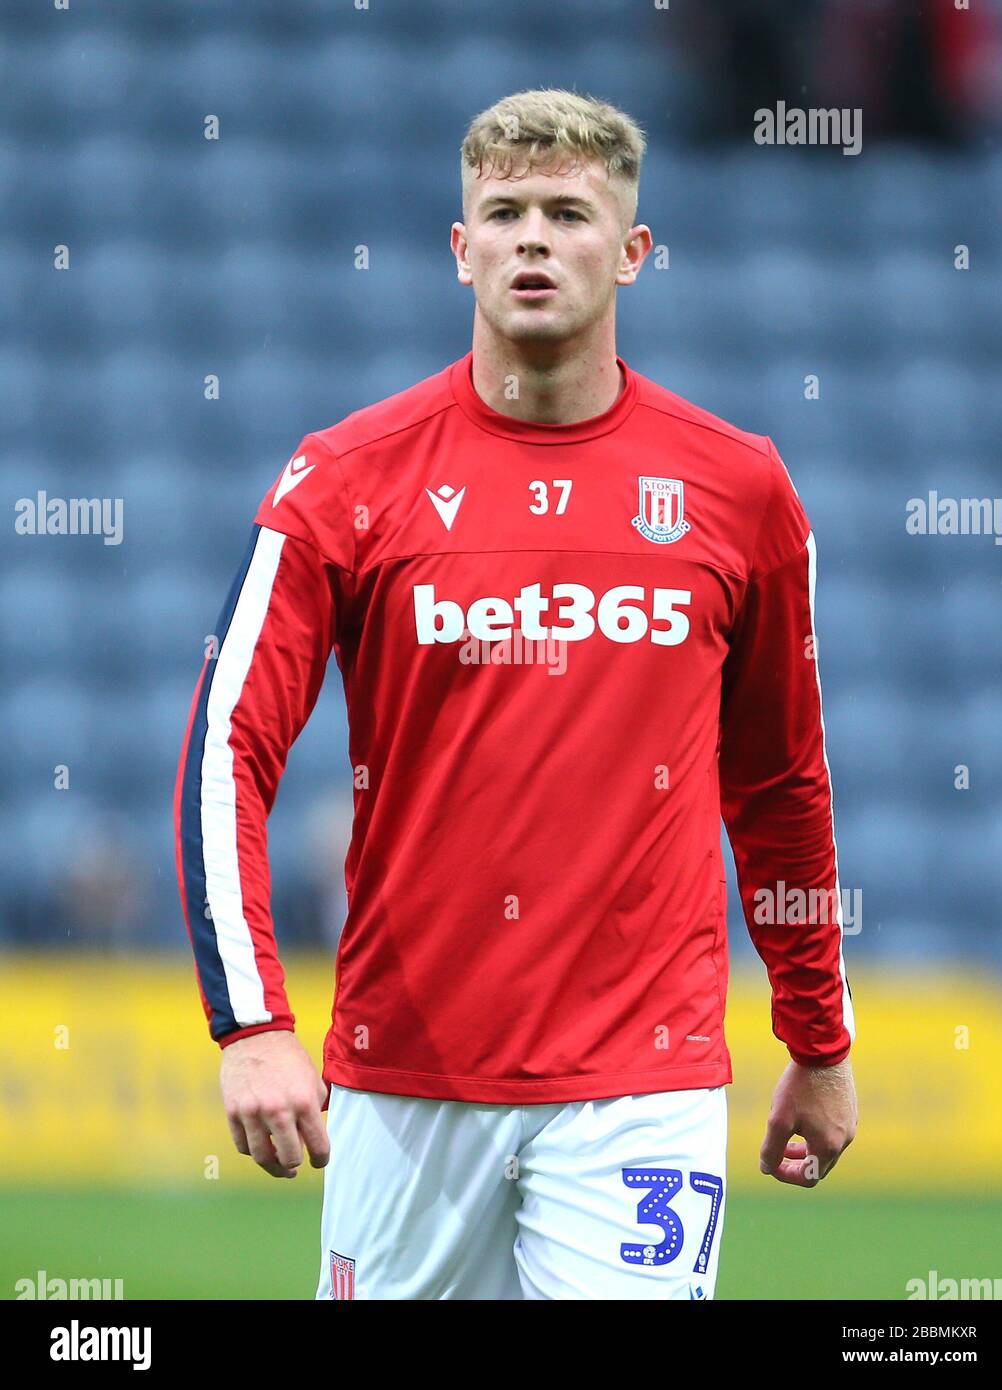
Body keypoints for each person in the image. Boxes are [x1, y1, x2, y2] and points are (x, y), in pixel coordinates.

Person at [173, 87, 857, 1301]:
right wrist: (253, 1022)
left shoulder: (740, 489)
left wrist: (815, 1033)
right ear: (462, 248)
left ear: (633, 252)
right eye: (504, 211)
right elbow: (230, 741)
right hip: (407, 1073)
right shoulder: (344, 480)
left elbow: (779, 785)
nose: (533, 237)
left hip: (644, 1082)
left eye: (567, 212)